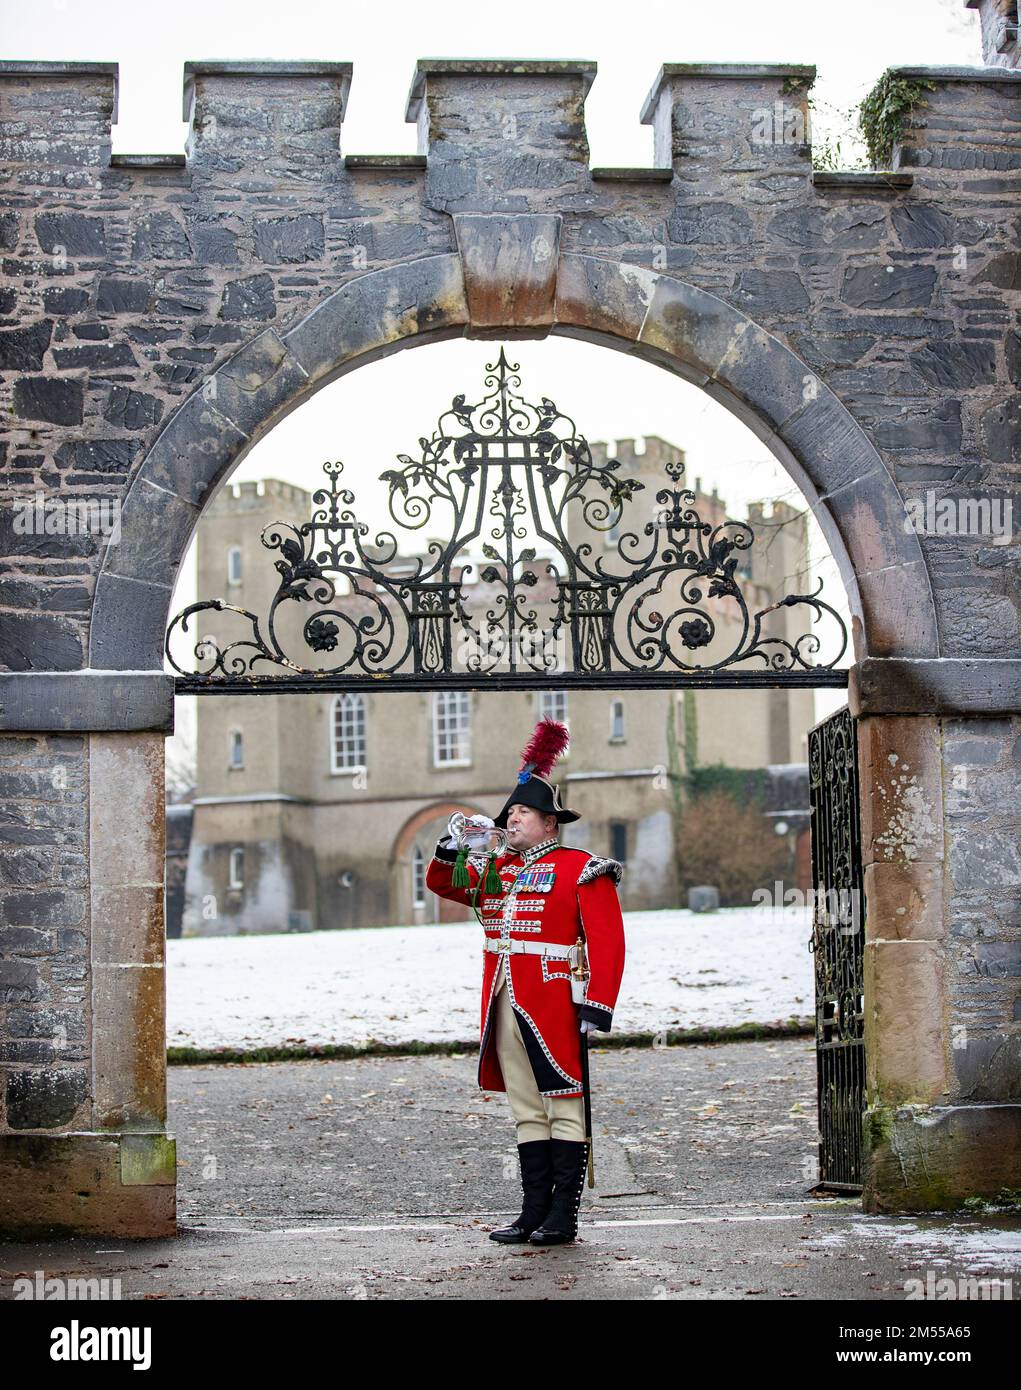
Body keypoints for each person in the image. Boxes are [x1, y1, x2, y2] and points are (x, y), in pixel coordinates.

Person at [426, 717, 626, 1245]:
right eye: (509, 813)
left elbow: (607, 941)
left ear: (549, 823)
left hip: (555, 1001)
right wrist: (454, 846)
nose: (510, 819)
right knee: (526, 1109)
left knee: (564, 1103)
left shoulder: (580, 867)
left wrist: (598, 1003)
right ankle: (532, 1210)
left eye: (521, 812)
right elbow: (445, 883)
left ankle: (565, 1215)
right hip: (502, 1003)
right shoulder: (496, 868)